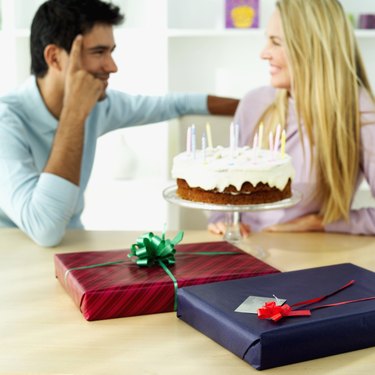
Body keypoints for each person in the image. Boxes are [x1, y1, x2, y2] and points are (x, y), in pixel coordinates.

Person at [0, 0, 239, 247]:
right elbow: (44, 229)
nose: (112, 66)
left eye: (111, 52)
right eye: (98, 52)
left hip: (74, 246)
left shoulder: (99, 107)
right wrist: (74, 113)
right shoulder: (5, 120)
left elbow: (174, 104)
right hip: (15, 253)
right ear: (54, 57)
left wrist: (257, 105)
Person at [208, 0, 375, 237]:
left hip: (314, 254)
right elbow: (224, 187)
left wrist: (323, 223)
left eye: (276, 42)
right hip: (246, 250)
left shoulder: (359, 111)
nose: (263, 53)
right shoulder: (254, 103)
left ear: (313, 47)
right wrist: (220, 220)